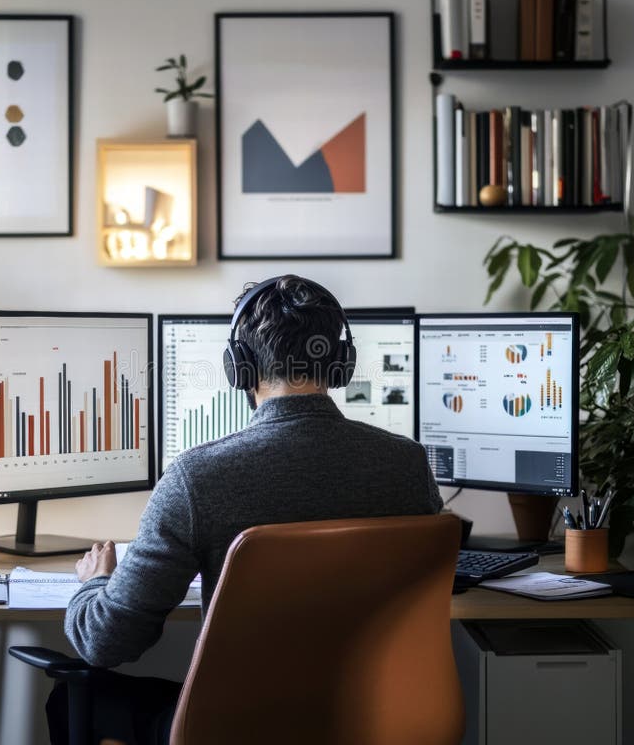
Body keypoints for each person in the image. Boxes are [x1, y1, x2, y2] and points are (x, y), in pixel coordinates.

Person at [49, 275, 442, 744]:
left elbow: (105, 641)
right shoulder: (407, 465)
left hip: (238, 729)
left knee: (74, 699)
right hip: (377, 721)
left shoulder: (197, 478)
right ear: (340, 364)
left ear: (240, 368)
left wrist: (94, 582)